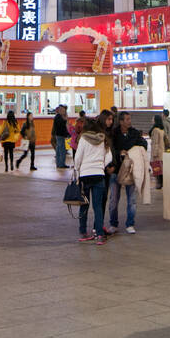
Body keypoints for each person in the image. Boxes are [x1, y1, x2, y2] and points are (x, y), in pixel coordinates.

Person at [73, 116, 113, 244]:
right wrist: (101, 165)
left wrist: (77, 170)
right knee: (98, 207)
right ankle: (100, 235)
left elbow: (78, 157)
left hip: (85, 175)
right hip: (99, 175)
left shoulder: (83, 139)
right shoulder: (102, 139)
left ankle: (83, 232)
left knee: (84, 205)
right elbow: (109, 157)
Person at [108, 111, 147, 234]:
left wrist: (131, 151)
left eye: (130, 119)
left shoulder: (134, 133)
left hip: (131, 170)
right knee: (114, 199)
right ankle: (113, 224)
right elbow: (110, 149)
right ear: (121, 121)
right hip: (116, 169)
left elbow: (143, 144)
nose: (129, 121)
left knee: (132, 199)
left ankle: (130, 223)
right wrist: (119, 152)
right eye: (127, 119)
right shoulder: (113, 134)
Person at [148, 113, 169, 189]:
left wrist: (154, 154)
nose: (152, 120)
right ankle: (160, 183)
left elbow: (155, 143)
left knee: (157, 168)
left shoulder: (155, 130)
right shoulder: (161, 130)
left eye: (153, 119)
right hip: (161, 151)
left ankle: (159, 184)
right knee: (160, 168)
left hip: (157, 152)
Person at [51, 104, 69, 169]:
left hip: (58, 135)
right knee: (61, 150)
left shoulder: (57, 117)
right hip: (60, 135)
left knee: (59, 149)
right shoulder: (59, 117)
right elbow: (62, 126)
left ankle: (59, 164)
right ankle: (61, 164)